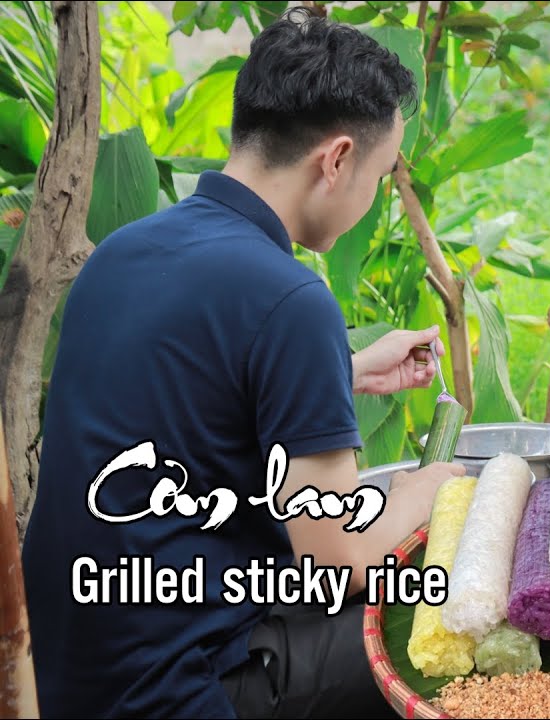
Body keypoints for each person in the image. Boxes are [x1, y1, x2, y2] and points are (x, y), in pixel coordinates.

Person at [21, 8, 464, 719]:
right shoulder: (290, 298)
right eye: (381, 175)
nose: (377, 196)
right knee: (445, 622)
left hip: (67, 669)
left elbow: (186, 396)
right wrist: (428, 485)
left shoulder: (124, 252)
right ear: (338, 158)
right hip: (180, 690)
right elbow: (335, 564)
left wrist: (341, 371)